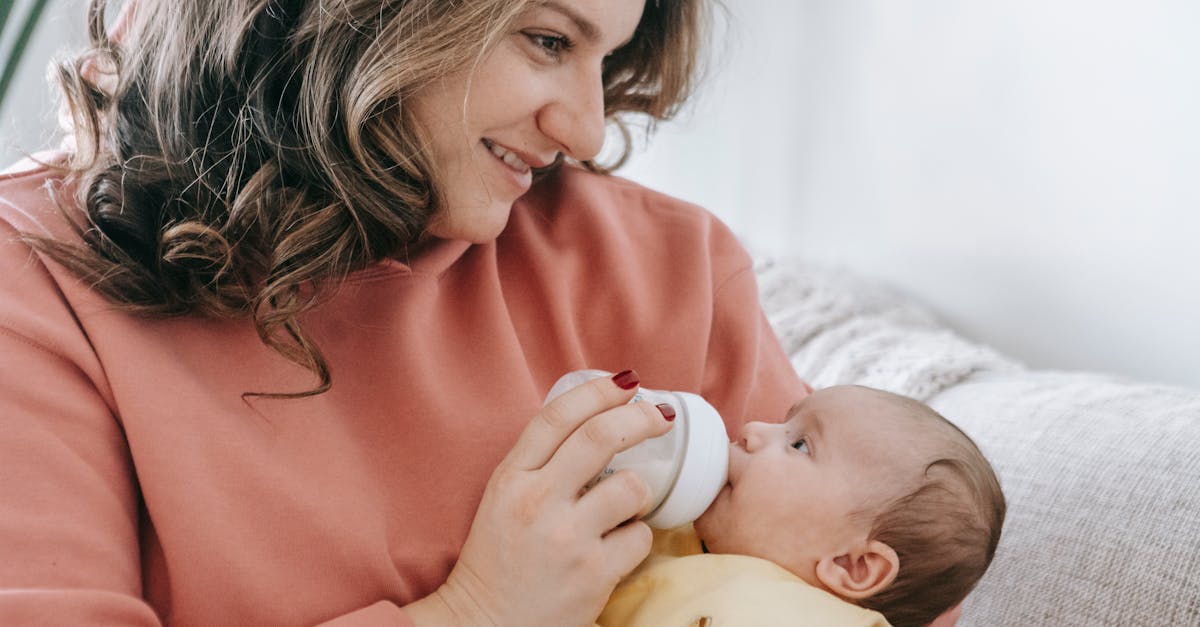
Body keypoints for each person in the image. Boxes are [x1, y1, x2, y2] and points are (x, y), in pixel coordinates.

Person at [0, 0, 811, 625]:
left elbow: (881, 576)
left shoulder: (671, 270)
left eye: (611, 54)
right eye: (549, 40)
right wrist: (476, 612)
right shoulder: (34, 282)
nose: (587, 127)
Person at [599, 385, 1006, 627]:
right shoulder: (672, 528)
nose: (752, 430)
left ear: (853, 565)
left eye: (799, 444)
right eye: (784, 422)